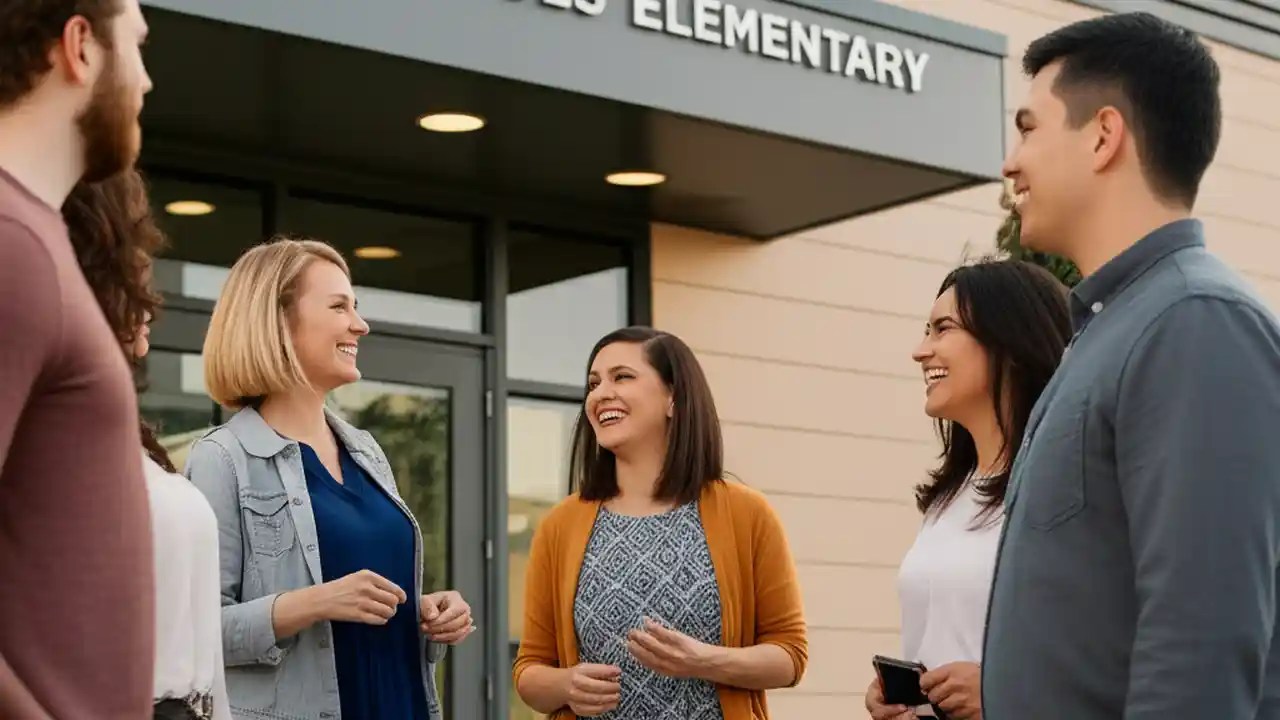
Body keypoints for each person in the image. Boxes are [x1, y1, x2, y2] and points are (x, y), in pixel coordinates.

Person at [983, 12, 1280, 718]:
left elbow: (1198, 648)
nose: (1010, 163)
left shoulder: (1195, 322)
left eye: (1028, 129)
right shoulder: (1114, 329)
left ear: (1104, 135)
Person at [184, 237, 475, 720]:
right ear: (278, 321)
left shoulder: (367, 452)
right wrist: (315, 602)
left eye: (355, 307)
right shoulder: (222, 459)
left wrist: (424, 612)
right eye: (339, 307)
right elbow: (196, 633)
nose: (360, 324)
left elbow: (359, 608)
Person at [513, 326, 808, 720]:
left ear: (673, 397)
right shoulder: (560, 525)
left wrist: (705, 660)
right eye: (594, 383)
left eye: (622, 377)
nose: (600, 394)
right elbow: (530, 670)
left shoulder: (747, 514)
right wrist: (566, 685)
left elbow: (790, 656)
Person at [0, 2, 155, 717]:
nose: (146, 80)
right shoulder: (13, 247)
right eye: (137, 46)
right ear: (79, 45)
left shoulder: (34, 239)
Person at [865, 259, 1070, 720]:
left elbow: (1113, 647)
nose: (920, 351)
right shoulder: (948, 497)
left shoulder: (1065, 488)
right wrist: (899, 701)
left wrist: (1005, 690)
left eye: (943, 329)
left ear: (1009, 342)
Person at [62, 169, 232, 720]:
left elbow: (209, 662)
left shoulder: (132, 447)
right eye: (136, 272)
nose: (151, 303)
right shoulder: (50, 437)